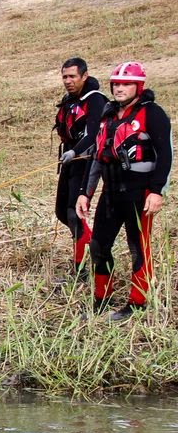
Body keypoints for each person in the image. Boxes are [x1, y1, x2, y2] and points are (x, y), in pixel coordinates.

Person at [76, 61, 172, 320]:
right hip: (110, 193)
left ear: (138, 86)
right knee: (98, 246)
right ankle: (101, 298)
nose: (119, 88)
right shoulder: (108, 115)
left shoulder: (152, 114)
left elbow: (166, 154)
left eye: (126, 83)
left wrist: (157, 191)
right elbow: (97, 157)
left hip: (139, 193)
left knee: (137, 248)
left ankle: (137, 304)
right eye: (116, 83)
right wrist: (85, 193)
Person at [53, 57, 107, 281]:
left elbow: (94, 133)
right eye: (65, 76)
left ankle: (82, 267)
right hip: (69, 160)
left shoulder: (95, 100)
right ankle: (87, 247)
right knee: (62, 212)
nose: (68, 81)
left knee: (74, 214)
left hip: (85, 160)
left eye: (72, 76)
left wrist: (75, 152)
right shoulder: (69, 100)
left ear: (84, 76)